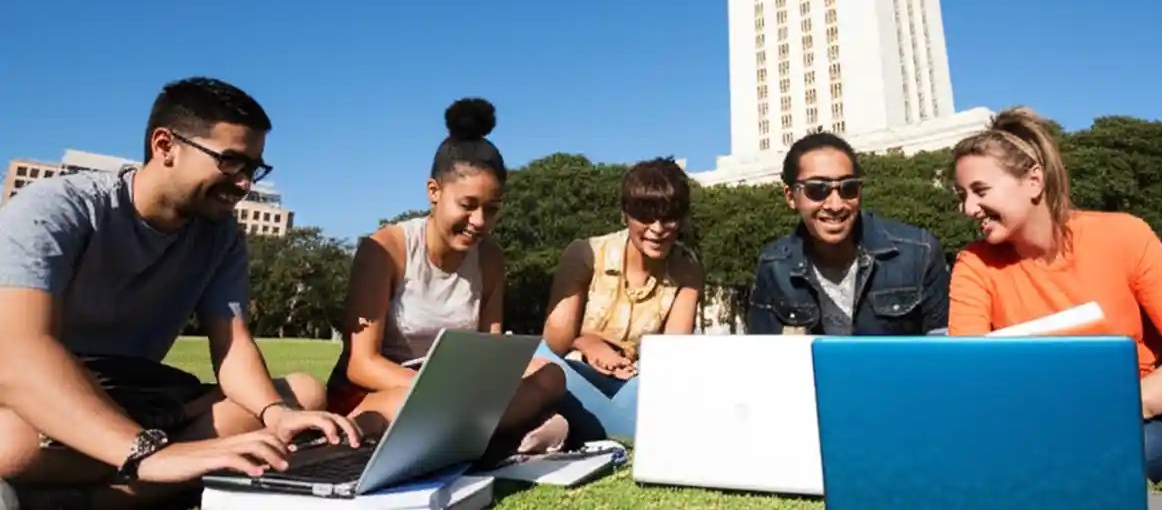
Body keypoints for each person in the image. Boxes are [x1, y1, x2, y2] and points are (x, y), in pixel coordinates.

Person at [0, 77, 361, 510]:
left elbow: (232, 343)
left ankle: (96, 498)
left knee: (302, 395)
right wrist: (146, 452)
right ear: (165, 145)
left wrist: (276, 414)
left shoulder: (221, 235)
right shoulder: (57, 208)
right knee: (12, 444)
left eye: (253, 168)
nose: (245, 183)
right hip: (51, 391)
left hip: (144, 394)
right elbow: (18, 352)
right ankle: (149, 472)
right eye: (230, 162)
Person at [947, 106, 1162, 483]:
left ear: (1034, 181)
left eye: (980, 191)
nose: (967, 208)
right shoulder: (974, 263)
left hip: (1142, 417)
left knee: (1079, 463)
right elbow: (969, 372)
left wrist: (1113, 407)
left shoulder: (1124, 236)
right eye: (961, 195)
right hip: (1036, 421)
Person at [325, 98, 568, 458]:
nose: (479, 222)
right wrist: (439, 395)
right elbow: (362, 364)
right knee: (552, 426)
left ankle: (459, 434)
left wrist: (469, 393)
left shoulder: (490, 258)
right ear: (434, 192)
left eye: (492, 210)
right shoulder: (387, 248)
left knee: (550, 375)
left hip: (458, 389)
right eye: (468, 205)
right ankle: (474, 434)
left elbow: (492, 349)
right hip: (387, 387)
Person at [539, 158, 705, 443]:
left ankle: (589, 430)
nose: (657, 228)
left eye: (669, 217)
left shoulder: (688, 268)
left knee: (665, 391)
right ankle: (625, 432)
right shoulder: (586, 254)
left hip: (633, 382)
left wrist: (627, 360)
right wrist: (587, 342)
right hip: (573, 373)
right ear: (624, 214)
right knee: (541, 365)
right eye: (645, 215)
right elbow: (555, 341)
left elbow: (673, 353)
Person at [747, 132, 950, 337]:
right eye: (817, 190)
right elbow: (765, 357)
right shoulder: (774, 266)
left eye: (848, 188)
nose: (835, 205)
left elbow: (946, 354)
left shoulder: (920, 253)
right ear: (791, 197)